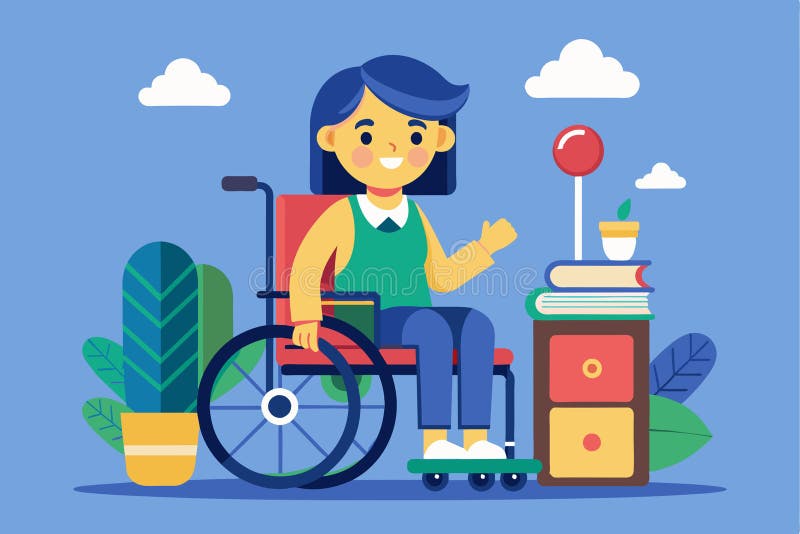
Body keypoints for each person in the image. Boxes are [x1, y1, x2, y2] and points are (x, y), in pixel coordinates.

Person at [290, 55, 517, 459]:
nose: (392, 147)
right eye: (366, 136)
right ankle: (435, 442)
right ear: (331, 139)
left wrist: (484, 248)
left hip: (416, 315)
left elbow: (442, 277)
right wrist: (306, 317)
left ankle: (476, 440)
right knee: (432, 329)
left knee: (477, 324)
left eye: (415, 136)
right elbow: (307, 266)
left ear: (440, 140)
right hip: (365, 319)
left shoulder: (416, 215)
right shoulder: (343, 215)